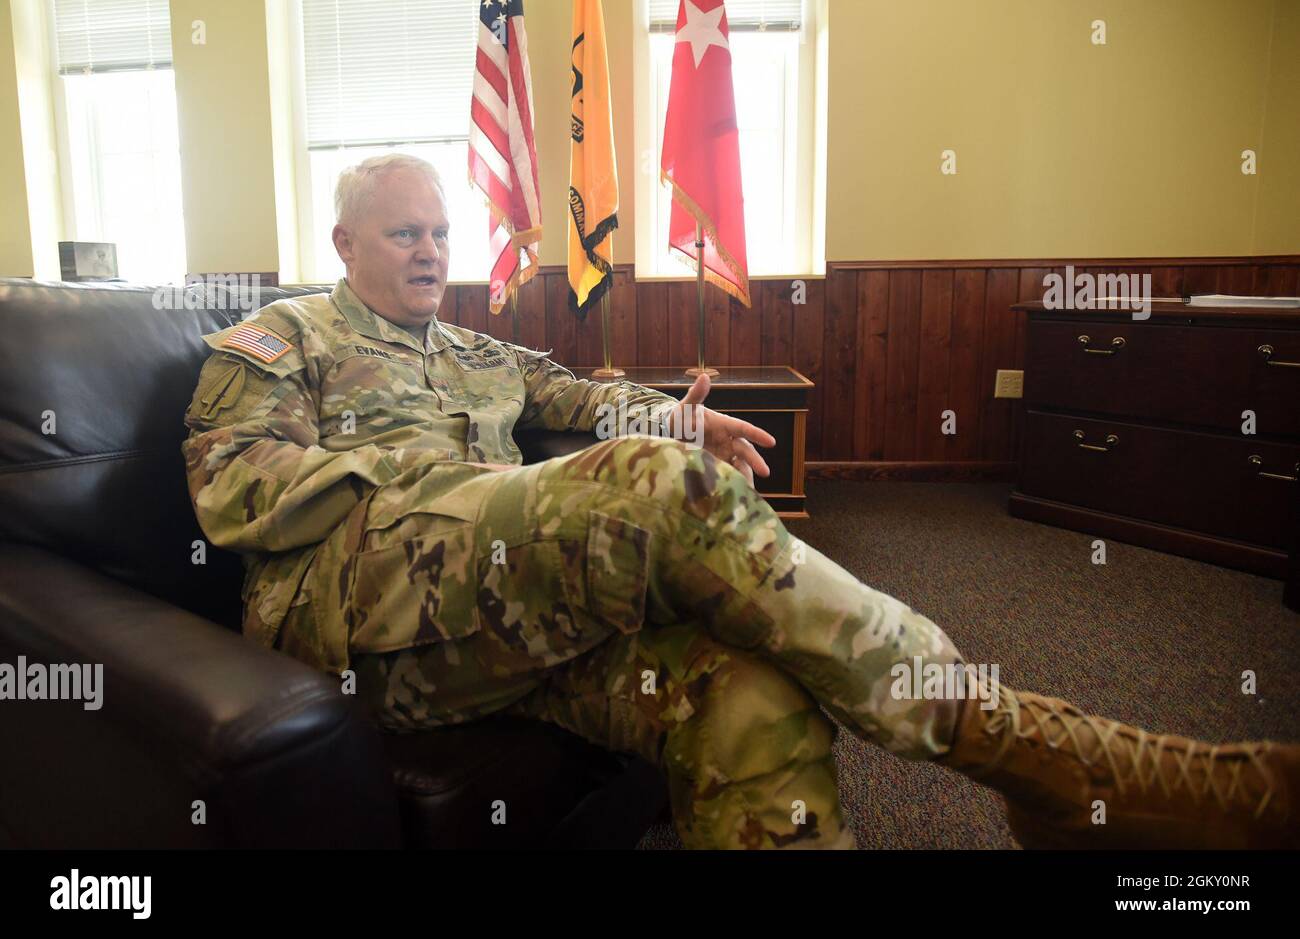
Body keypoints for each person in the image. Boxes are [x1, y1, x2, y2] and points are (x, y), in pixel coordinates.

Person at [182, 153, 1297, 850]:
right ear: (343, 246)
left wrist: (672, 418)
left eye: (437, 231)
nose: (430, 250)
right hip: (352, 622)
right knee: (661, 495)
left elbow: (572, 392)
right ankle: (1061, 763)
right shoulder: (285, 336)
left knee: (746, 692)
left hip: (492, 619)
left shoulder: (472, 347)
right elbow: (238, 490)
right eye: (402, 233)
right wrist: (473, 497)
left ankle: (1043, 767)